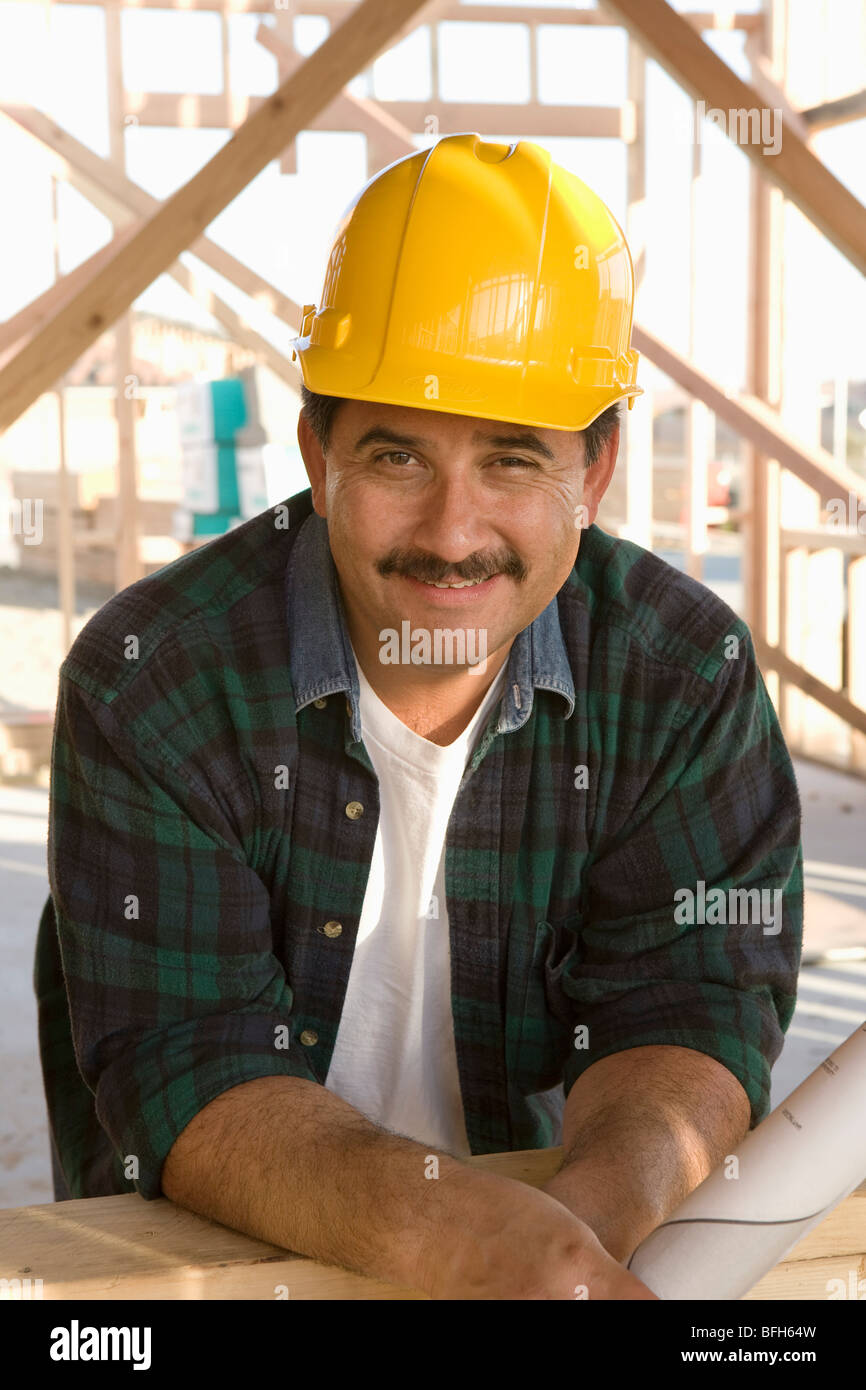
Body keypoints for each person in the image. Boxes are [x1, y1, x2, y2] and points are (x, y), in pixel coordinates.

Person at [34, 133, 802, 1300]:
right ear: (317, 453)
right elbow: (185, 1057)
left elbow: (688, 998)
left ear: (591, 475)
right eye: (396, 455)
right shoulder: (153, 681)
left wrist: (577, 1228)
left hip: (540, 1233)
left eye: (510, 462)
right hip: (215, 1265)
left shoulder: (678, 676)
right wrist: (464, 1240)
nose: (451, 532)